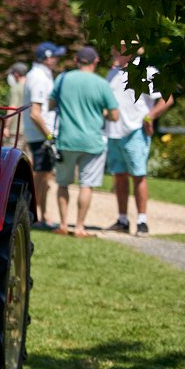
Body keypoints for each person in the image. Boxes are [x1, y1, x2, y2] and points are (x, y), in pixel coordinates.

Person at [49, 46, 119, 237]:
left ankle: (63, 224)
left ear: (76, 60)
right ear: (96, 61)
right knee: (86, 185)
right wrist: (101, 112)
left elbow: (51, 104)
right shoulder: (101, 83)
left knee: (63, 183)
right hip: (92, 141)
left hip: (66, 139)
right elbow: (114, 115)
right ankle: (80, 227)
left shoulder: (63, 79)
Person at [105, 44, 174, 236]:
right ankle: (122, 219)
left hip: (136, 130)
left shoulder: (147, 71)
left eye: (122, 47)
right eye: (117, 48)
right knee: (119, 176)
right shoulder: (112, 73)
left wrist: (150, 116)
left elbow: (168, 98)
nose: (118, 51)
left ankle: (142, 221)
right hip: (114, 131)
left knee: (138, 176)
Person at [23, 41, 65, 227]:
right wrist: (49, 136)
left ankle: (42, 215)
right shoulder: (39, 77)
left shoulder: (40, 75)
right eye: (55, 56)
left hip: (41, 134)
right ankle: (33, 215)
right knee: (40, 176)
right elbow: (35, 113)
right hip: (41, 135)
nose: (57, 60)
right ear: (46, 58)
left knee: (45, 175)